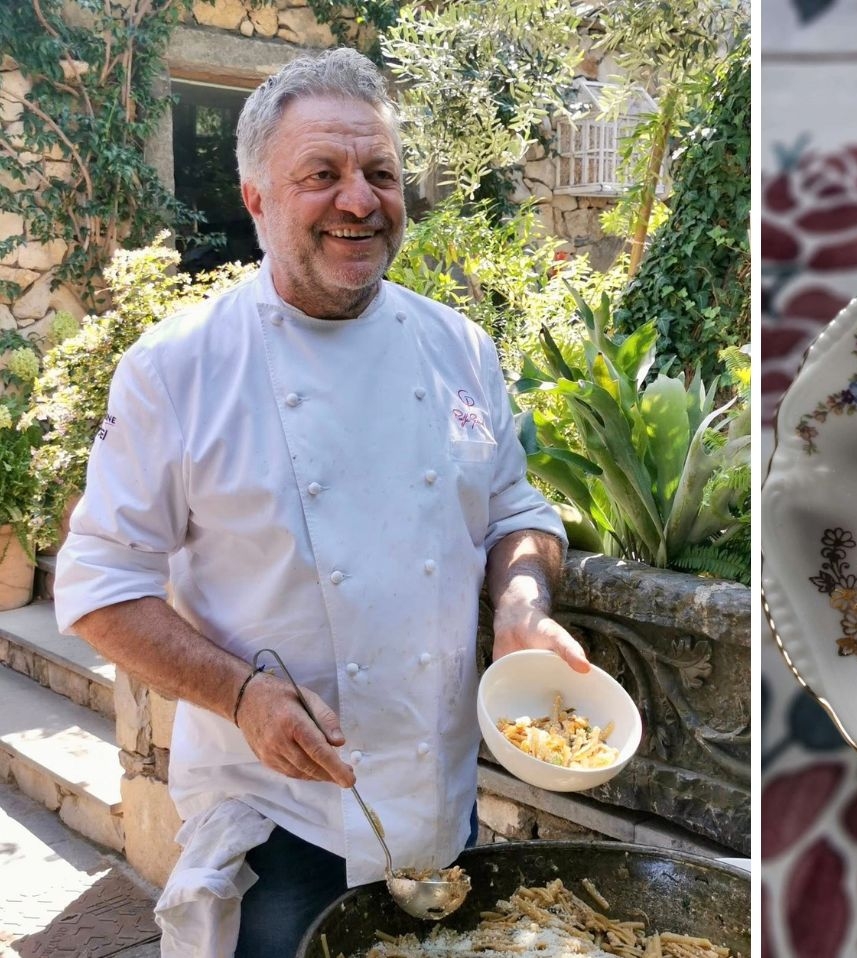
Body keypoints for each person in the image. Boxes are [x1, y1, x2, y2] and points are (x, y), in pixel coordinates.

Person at [53, 47, 588, 956]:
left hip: (439, 804)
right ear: (257, 199)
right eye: (322, 175)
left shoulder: (459, 348)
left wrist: (523, 605)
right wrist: (242, 694)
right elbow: (100, 587)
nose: (359, 200)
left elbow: (514, 511)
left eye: (380, 173)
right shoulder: (176, 369)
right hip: (280, 819)